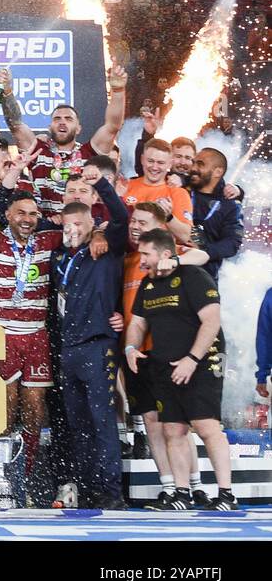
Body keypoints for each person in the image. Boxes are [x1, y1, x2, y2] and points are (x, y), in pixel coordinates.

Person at [124, 229, 237, 510]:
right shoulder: (147, 284)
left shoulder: (193, 276)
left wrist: (192, 359)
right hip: (165, 363)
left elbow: (211, 321)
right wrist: (130, 348)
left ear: (165, 254)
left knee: (207, 426)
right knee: (173, 429)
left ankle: (226, 494)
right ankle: (181, 494)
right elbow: (137, 323)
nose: (142, 261)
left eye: (146, 254)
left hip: (202, 361)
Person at [121, 201, 211, 507]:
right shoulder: (129, 254)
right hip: (139, 353)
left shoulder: (164, 253)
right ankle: (169, 487)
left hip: (171, 351)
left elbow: (203, 252)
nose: (135, 226)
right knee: (152, 421)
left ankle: (194, 486)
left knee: (177, 423)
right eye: (134, 221)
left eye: (142, 222)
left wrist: (176, 263)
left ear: (158, 229)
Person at [0, 188, 62, 474]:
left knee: (35, 408)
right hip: (2, 336)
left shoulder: (47, 241)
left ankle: (28, 472)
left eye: (33, 214)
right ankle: (2, 472)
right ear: (8, 215)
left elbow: (81, 231)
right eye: (21, 213)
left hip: (35, 335)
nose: (27, 219)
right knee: (5, 408)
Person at [52, 179, 129, 511]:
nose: (73, 230)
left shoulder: (104, 247)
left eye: (80, 224)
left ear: (92, 224)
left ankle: (111, 491)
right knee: (78, 426)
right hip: (68, 351)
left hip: (98, 347)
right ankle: (86, 488)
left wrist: (100, 184)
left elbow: (123, 219)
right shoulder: (58, 258)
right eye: (68, 225)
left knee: (102, 421)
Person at [0, 64, 128, 220]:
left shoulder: (90, 153)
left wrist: (118, 91)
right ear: (50, 126)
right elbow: (15, 124)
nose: (62, 122)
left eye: (68, 119)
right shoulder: (37, 150)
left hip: (83, 228)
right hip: (44, 228)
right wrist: (7, 92)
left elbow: (113, 126)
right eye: (57, 119)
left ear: (78, 128)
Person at [187, 147, 244, 278]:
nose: (193, 168)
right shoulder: (181, 190)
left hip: (204, 277)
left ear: (218, 172)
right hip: (170, 272)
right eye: (193, 162)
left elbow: (232, 243)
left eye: (200, 164)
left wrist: (204, 251)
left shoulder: (230, 205)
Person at [123, 138, 194, 241]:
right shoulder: (126, 186)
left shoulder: (178, 193)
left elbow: (186, 236)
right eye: (150, 161)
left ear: (170, 164)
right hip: (125, 254)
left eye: (160, 163)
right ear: (142, 159)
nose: (155, 167)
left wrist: (168, 217)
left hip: (160, 254)